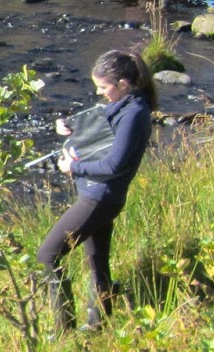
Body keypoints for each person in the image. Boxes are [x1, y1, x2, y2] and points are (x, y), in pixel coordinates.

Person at [38, 49, 155, 331]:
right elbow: (100, 129)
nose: (100, 93)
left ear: (123, 84)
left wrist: (73, 169)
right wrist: (70, 127)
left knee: (48, 256)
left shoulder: (135, 114)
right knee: (97, 262)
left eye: (104, 87)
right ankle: (98, 325)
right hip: (101, 196)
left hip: (99, 198)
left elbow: (115, 164)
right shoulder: (123, 105)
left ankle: (63, 329)